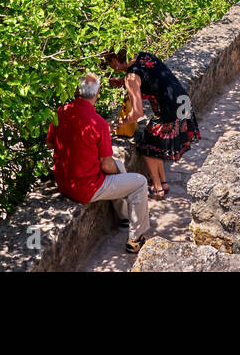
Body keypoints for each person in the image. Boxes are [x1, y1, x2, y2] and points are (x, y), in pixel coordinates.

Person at [46, 73, 150, 253]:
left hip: (63, 181)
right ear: (98, 93)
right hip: (85, 188)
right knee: (139, 182)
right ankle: (135, 239)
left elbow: (50, 143)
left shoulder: (61, 112)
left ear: (76, 90)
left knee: (118, 164)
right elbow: (106, 166)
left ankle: (124, 215)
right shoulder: (98, 123)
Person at [104, 50, 200, 201]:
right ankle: (163, 183)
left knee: (146, 144)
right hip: (183, 101)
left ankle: (157, 188)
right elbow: (151, 79)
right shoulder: (142, 56)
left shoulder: (131, 77)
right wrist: (124, 83)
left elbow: (137, 113)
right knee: (154, 140)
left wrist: (117, 124)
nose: (109, 67)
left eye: (108, 63)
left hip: (170, 110)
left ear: (115, 62)